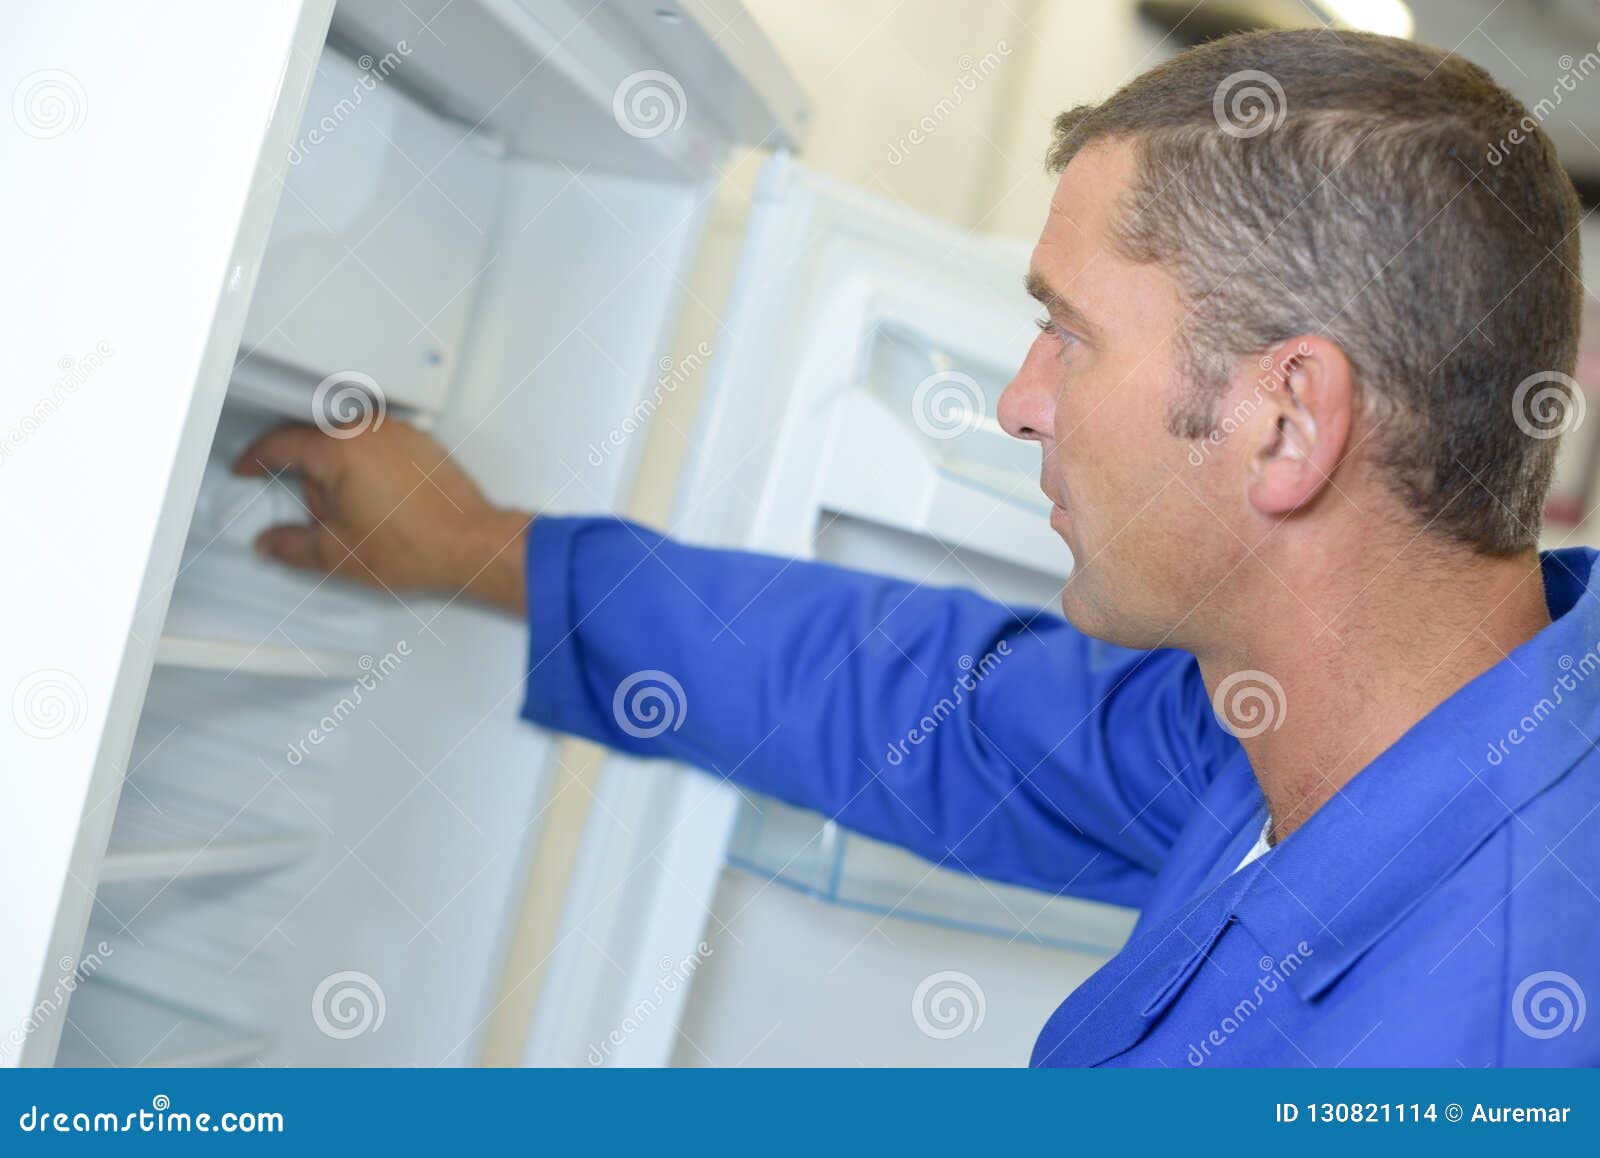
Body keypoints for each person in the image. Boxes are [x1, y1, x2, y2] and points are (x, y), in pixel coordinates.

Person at [234, 29, 1600, 1066]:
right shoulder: (1301, 732)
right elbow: (942, 711)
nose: (1020, 399)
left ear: (1285, 423)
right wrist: (485, 547)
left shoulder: (1484, 1038)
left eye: (1069, 330)